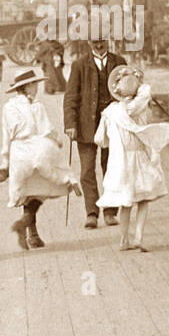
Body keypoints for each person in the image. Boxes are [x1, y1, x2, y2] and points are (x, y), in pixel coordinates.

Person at [94, 65, 169, 252]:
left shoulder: (109, 113)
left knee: (126, 201)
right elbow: (146, 99)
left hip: (120, 161)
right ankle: (139, 237)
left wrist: (113, 140)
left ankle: (124, 240)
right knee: (143, 199)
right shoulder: (141, 107)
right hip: (139, 156)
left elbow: (99, 139)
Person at [0, 68, 79, 250]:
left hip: (19, 152)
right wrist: (57, 141)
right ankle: (26, 222)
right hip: (38, 150)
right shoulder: (37, 107)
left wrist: (5, 160)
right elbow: (46, 130)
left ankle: (32, 234)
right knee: (43, 190)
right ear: (27, 87)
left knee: (28, 190)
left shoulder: (8, 107)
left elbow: (6, 135)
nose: (36, 87)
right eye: (35, 84)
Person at [64, 37, 125, 228]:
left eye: (102, 41)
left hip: (112, 126)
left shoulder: (120, 63)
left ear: (108, 40)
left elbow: (129, 93)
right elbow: (71, 97)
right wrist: (70, 124)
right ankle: (91, 212)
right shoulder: (79, 65)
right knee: (87, 170)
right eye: (94, 42)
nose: (99, 46)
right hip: (86, 127)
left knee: (111, 168)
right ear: (88, 43)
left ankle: (110, 211)